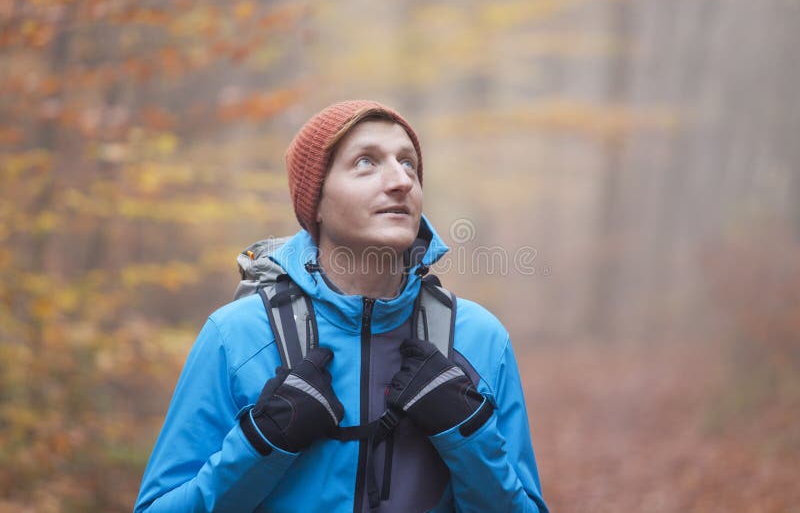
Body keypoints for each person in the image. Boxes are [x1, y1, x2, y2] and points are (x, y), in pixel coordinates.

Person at [134, 100, 548, 512]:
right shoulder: (239, 335)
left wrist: (467, 435)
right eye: (366, 162)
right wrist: (261, 443)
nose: (401, 181)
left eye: (408, 164)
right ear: (314, 201)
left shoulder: (480, 339)